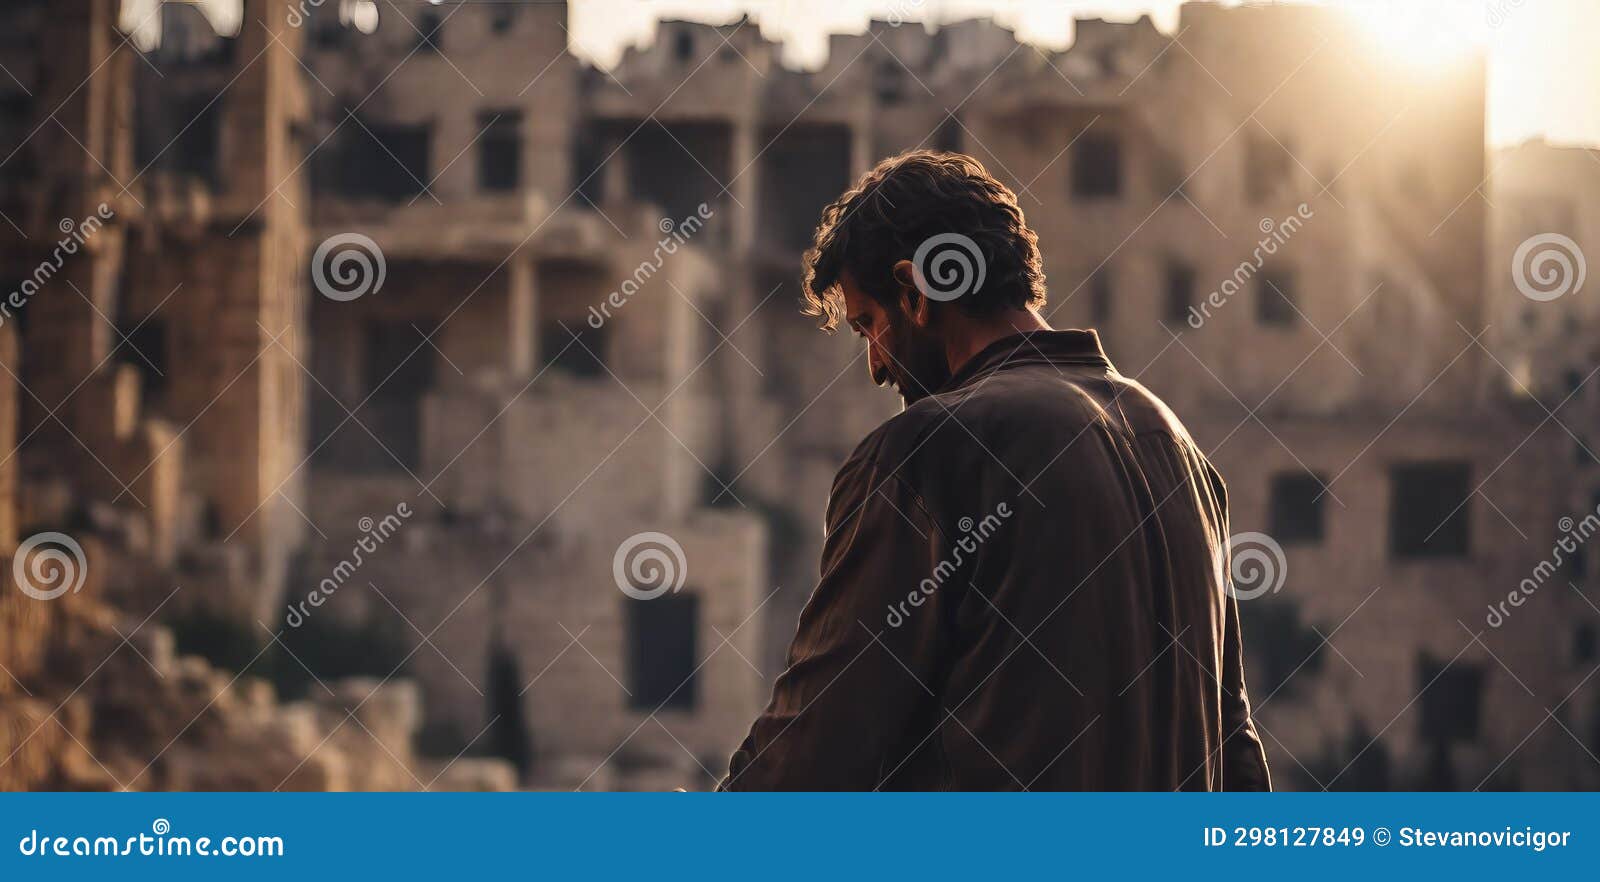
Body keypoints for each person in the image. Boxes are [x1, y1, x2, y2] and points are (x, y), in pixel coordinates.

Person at [718, 150, 1271, 791]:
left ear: (917, 291)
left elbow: (819, 743)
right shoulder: (1178, 450)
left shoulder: (930, 450)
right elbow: (1236, 749)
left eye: (868, 325)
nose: (873, 364)